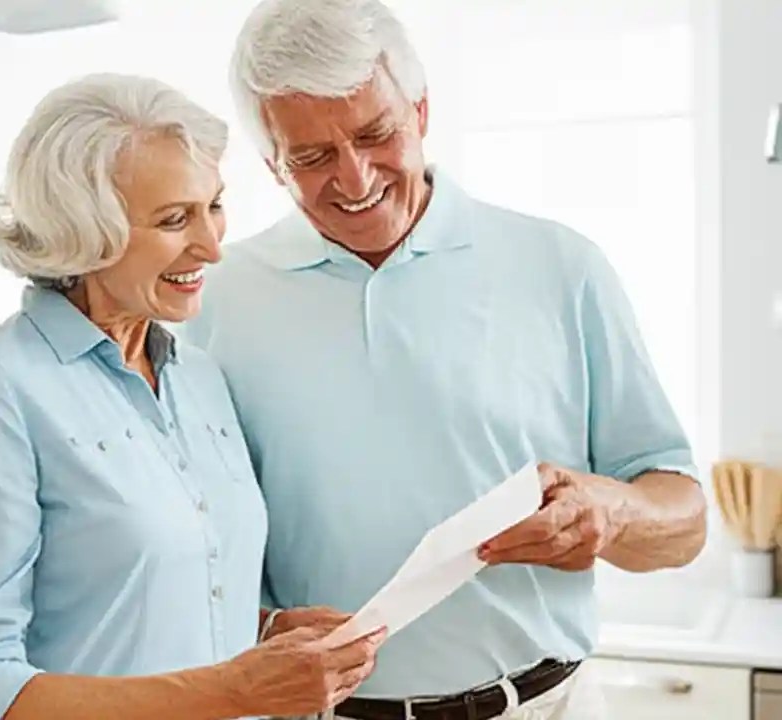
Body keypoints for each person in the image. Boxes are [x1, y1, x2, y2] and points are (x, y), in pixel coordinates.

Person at [182, 1, 709, 718]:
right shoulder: (211, 303)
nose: (356, 178)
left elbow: (684, 521)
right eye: (312, 157)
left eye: (376, 134)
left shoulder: (560, 267)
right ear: (273, 164)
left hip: (545, 705)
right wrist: (260, 625)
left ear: (421, 111)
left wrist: (609, 514)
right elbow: (188, 547)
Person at [0, 73, 385, 720]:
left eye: (214, 207)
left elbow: (136, 605)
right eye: (174, 220)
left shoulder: (198, 377)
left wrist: (270, 634)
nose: (213, 247)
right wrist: (236, 690)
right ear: (81, 229)